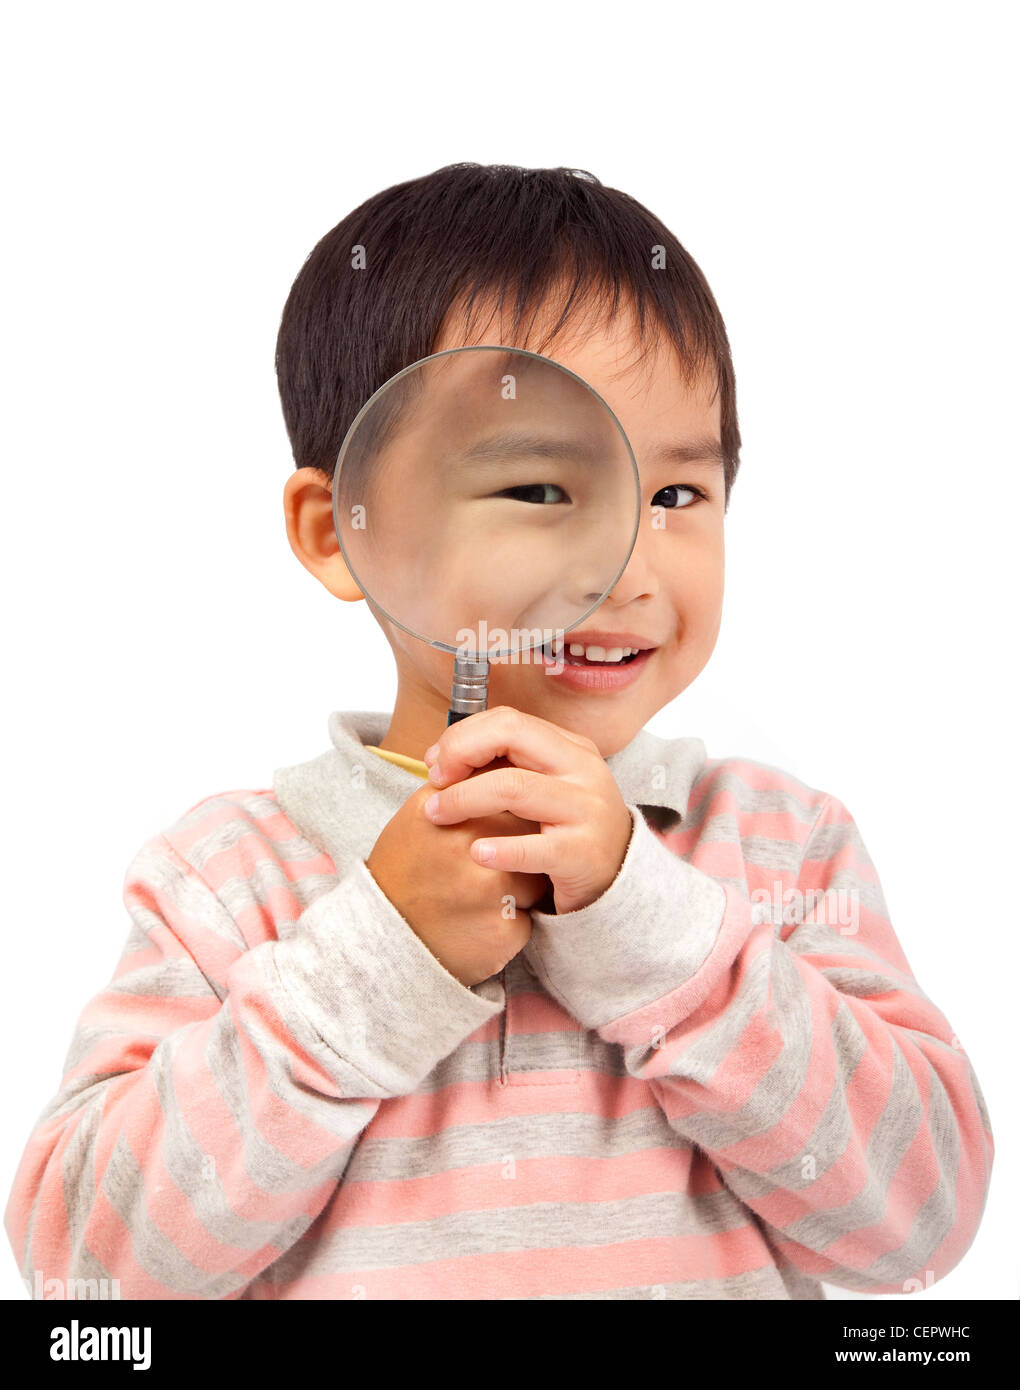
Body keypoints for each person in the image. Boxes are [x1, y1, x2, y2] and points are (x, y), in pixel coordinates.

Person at [4, 164, 993, 1301]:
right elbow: (86, 1272)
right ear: (342, 531)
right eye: (539, 488)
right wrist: (373, 964)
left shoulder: (781, 847)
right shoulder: (230, 881)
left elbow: (921, 1224)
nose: (621, 565)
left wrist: (656, 926)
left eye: (675, 495)